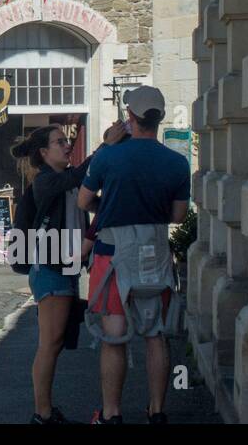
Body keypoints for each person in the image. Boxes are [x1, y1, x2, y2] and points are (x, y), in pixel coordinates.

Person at [77, 85, 190, 425]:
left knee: (114, 334)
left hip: (112, 253)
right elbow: (179, 215)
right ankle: (156, 411)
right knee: (155, 333)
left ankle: (111, 413)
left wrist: (107, 207)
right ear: (159, 118)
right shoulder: (176, 162)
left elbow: (83, 201)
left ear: (130, 117)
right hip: (154, 248)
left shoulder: (108, 158)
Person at [12, 120, 127, 424]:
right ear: (44, 152)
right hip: (49, 270)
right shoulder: (45, 181)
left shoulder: (70, 182)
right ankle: (42, 413)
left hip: (65, 270)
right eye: (59, 142)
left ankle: (45, 410)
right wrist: (105, 147)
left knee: (56, 341)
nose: (67, 146)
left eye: (66, 140)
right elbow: (79, 174)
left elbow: (94, 202)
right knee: (49, 343)